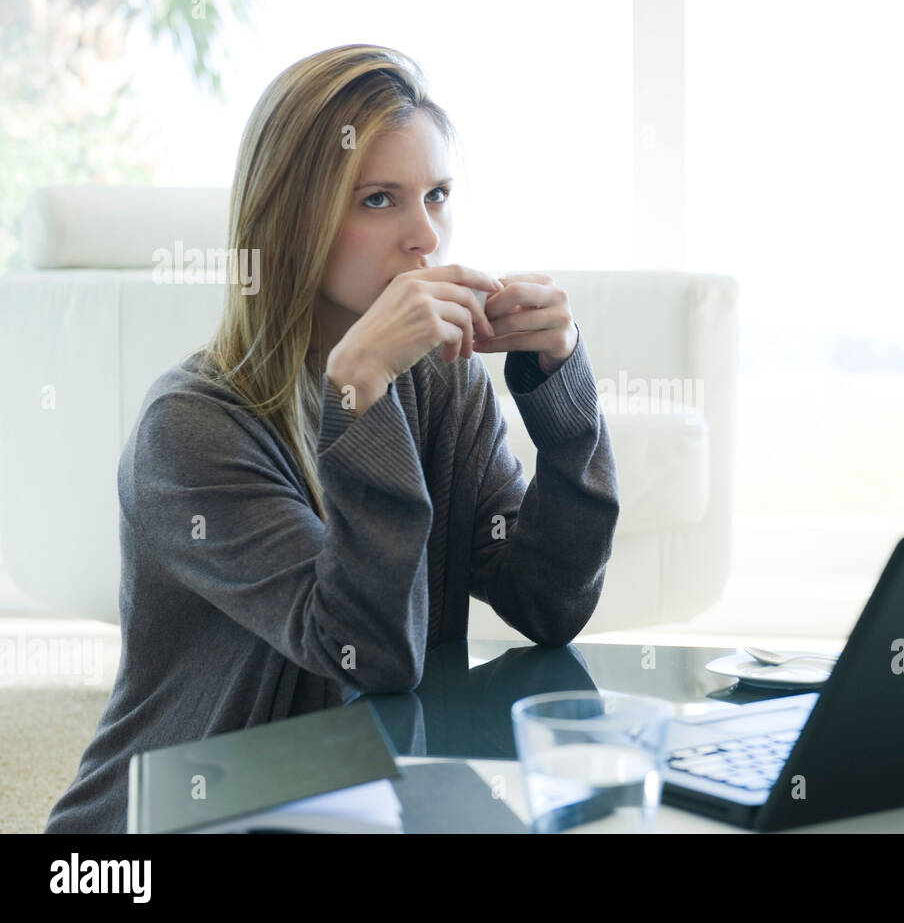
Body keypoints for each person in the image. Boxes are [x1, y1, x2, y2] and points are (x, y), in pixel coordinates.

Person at [45, 44, 619, 834]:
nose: (426, 236)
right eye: (380, 199)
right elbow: (369, 655)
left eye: (439, 195)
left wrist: (561, 396)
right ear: (293, 218)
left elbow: (549, 602)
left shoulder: (442, 383)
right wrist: (358, 395)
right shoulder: (189, 429)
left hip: (355, 804)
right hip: (170, 827)